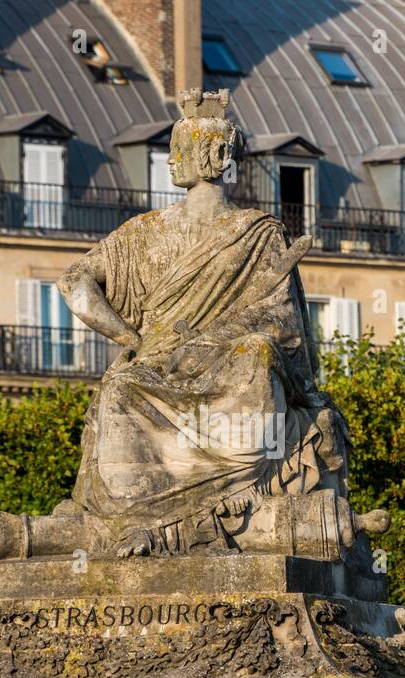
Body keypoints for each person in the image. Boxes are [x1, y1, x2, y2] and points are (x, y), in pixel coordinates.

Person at [55, 89, 348, 557]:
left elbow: (282, 324)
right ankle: (141, 516)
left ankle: (186, 515)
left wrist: (204, 339)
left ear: (211, 156)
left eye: (179, 149)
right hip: (163, 370)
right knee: (123, 386)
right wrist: (130, 339)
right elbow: (74, 282)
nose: (171, 160)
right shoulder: (144, 233)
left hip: (223, 365)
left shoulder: (256, 234)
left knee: (254, 353)